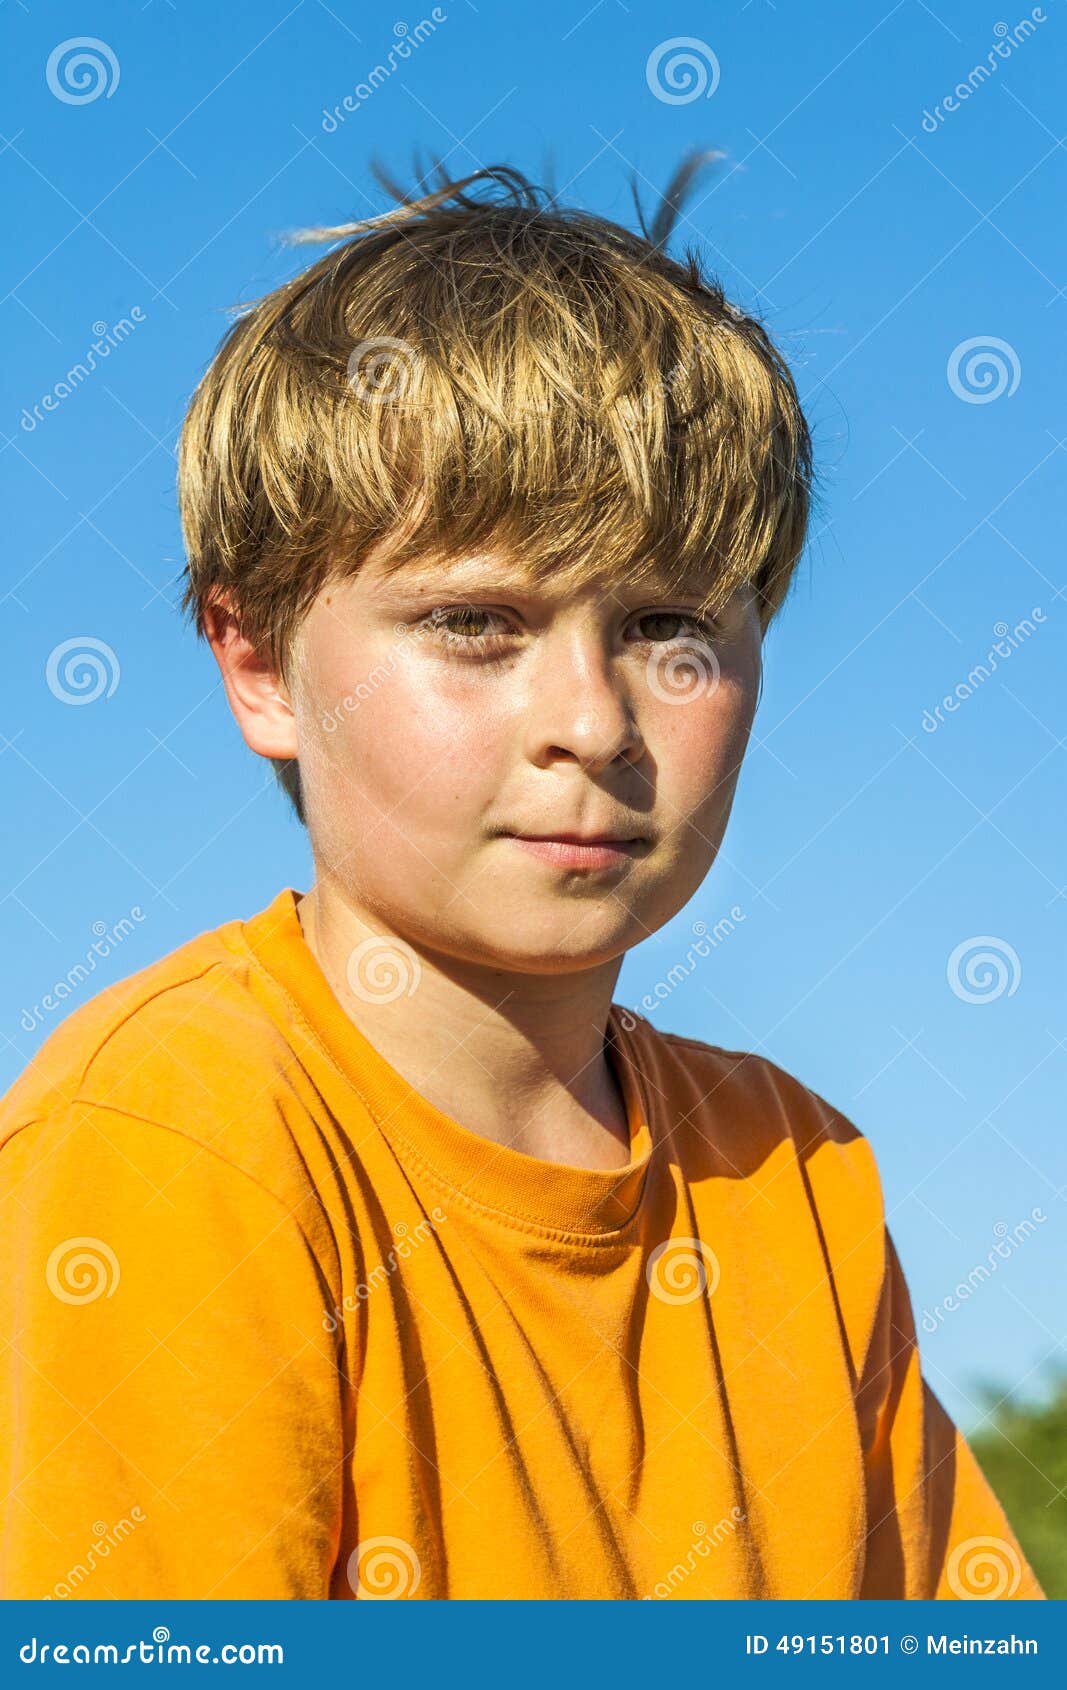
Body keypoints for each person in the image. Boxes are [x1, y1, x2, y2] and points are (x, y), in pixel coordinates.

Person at [0, 158, 1043, 1600]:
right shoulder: (179, 1131)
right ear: (258, 667)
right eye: (479, 621)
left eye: (669, 622)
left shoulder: (797, 1173)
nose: (597, 721)